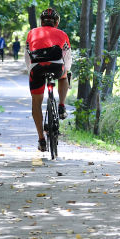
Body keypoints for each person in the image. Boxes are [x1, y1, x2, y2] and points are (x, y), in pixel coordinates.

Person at [25, 8, 71, 152]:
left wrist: (31, 70)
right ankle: (61, 106)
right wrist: (66, 69)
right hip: (56, 67)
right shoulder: (62, 34)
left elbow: (27, 56)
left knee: (36, 103)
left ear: (41, 22)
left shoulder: (32, 33)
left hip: (37, 68)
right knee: (64, 75)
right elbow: (67, 59)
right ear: (56, 22)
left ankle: (41, 140)